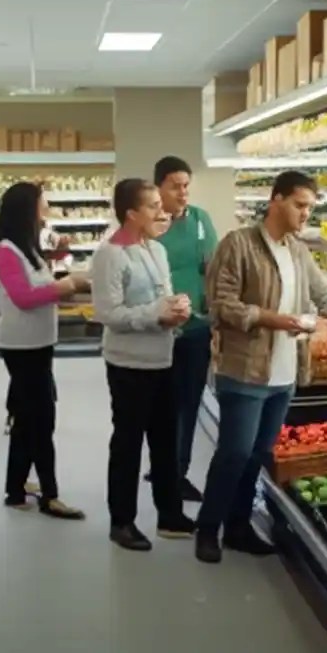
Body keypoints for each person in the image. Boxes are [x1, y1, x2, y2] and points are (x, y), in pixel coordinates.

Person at [197, 171, 327, 564]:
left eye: (310, 208)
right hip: (246, 370)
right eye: (300, 205)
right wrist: (273, 319)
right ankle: (207, 528)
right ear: (276, 199)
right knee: (234, 452)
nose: (305, 215)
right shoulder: (239, 245)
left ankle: (238, 526)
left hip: (285, 373)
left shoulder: (297, 250)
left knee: (258, 453)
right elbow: (220, 304)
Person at [91, 178, 196, 551]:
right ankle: (122, 521)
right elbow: (109, 313)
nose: (161, 211)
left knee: (166, 441)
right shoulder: (110, 254)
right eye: (152, 205)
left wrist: (177, 308)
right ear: (131, 213)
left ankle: (170, 515)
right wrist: (155, 314)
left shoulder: (155, 249)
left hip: (162, 357)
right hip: (129, 364)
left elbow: (160, 295)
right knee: (129, 443)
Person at [0, 182, 87, 520]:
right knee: (42, 420)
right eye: (42, 202)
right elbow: (24, 297)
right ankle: (50, 494)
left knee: (27, 418)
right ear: (27, 208)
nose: (46, 207)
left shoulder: (26, 247)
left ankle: (16, 488)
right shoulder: (6, 250)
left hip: (38, 342)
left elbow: (34, 285)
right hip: (22, 345)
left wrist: (57, 270)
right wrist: (65, 286)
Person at [151, 156, 216, 502]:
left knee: (188, 404)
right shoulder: (152, 225)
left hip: (196, 329)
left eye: (186, 186)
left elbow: (215, 266)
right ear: (159, 187)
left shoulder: (201, 221)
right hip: (159, 329)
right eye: (176, 186)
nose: (183, 192)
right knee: (162, 405)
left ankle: (178, 472)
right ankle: (163, 467)